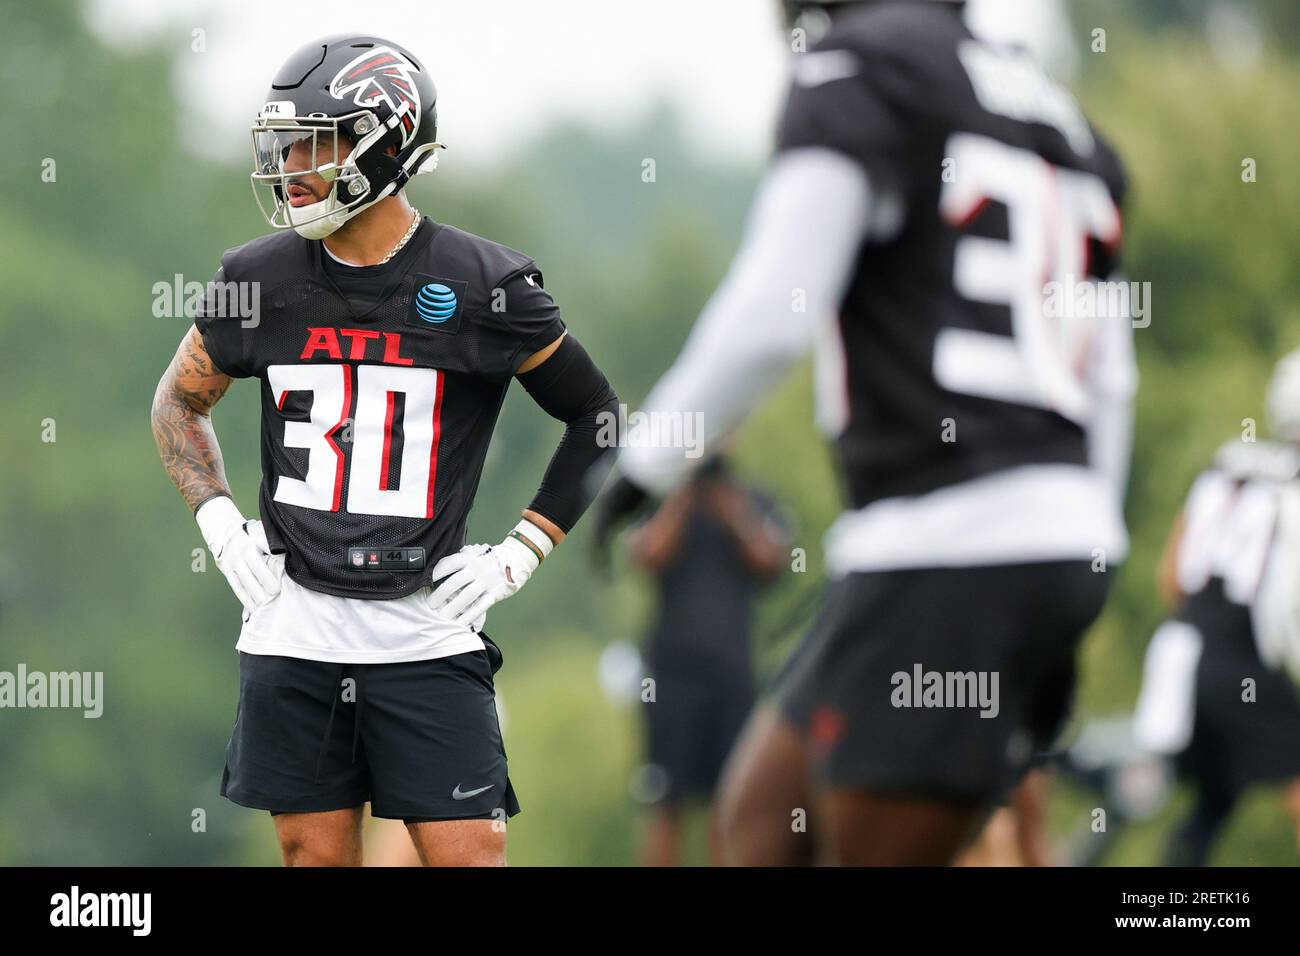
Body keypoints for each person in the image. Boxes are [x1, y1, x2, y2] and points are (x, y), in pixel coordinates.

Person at [596, 0, 1135, 864]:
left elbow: (776, 312)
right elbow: (1109, 376)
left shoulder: (857, 70)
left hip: (948, 543)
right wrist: (1087, 555)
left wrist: (645, 460)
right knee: (760, 822)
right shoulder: (1057, 111)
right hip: (1027, 535)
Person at [151, 34, 618, 866]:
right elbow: (179, 401)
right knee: (316, 859)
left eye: (315, 142)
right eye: (286, 143)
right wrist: (218, 521)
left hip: (426, 628)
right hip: (294, 624)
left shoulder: (485, 286)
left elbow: (597, 416)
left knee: (470, 855)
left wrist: (523, 549)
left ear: (387, 143)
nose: (291, 164)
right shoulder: (258, 279)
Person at [1133, 348, 1300, 865]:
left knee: (1211, 801)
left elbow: (1170, 577)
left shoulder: (1225, 467)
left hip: (1178, 657)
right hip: (1240, 663)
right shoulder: (1292, 487)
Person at [626, 457, 788, 865]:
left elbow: (771, 563)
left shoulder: (753, 501)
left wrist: (732, 511)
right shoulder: (662, 499)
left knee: (730, 800)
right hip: (671, 679)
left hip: (734, 676)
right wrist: (682, 496)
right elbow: (646, 555)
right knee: (665, 802)